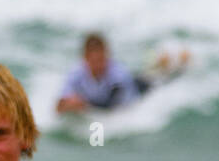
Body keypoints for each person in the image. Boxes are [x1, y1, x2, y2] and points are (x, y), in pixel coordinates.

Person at [55, 32, 190, 113]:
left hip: (137, 89)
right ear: (85, 59)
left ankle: (175, 64)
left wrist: (84, 104)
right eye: (94, 61)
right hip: (105, 95)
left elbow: (112, 107)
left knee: (159, 79)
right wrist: (66, 104)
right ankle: (161, 62)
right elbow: (58, 105)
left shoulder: (119, 75)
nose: (98, 65)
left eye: (101, 60)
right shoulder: (76, 72)